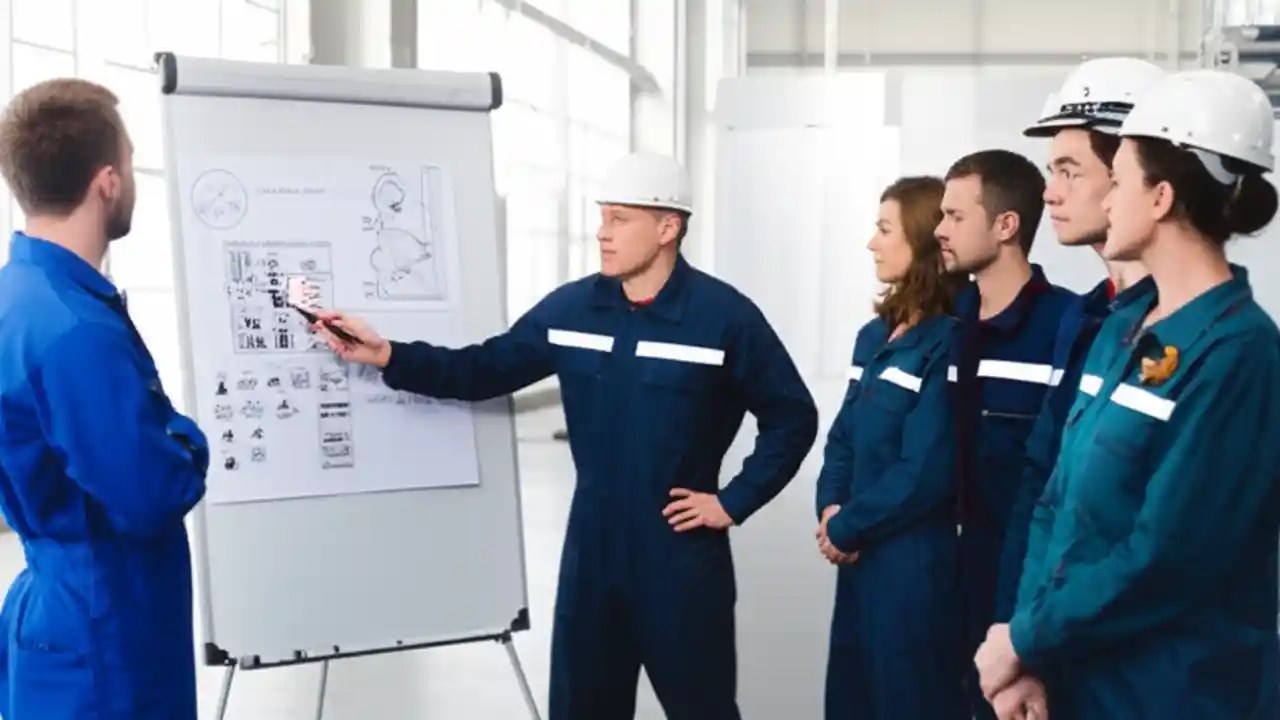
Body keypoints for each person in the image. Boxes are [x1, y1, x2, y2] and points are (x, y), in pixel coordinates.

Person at [310, 152, 819, 719]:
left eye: (620, 219)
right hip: (592, 554)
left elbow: (792, 416)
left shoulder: (723, 318)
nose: (602, 233)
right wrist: (386, 354)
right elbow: (484, 368)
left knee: (701, 708)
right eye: (602, 217)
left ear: (668, 227)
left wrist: (734, 501)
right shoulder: (576, 308)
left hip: (678, 554)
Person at [976, 68, 1280, 719]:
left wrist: (1023, 638)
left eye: (1118, 182)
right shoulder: (1121, 328)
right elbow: (1056, 500)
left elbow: (1170, 554)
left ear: (1161, 197)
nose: (1105, 201)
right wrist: (1028, 650)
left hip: (1177, 691)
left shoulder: (1240, 354)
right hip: (1082, 674)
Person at [0, 79, 210, 718]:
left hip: (58, 609)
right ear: (109, 181)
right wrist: (190, 439)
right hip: (107, 627)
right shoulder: (76, 329)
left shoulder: (19, 297)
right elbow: (151, 489)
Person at [983, 57, 1165, 714]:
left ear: (1130, 172)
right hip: (1062, 651)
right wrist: (1013, 635)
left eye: (1067, 172)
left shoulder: (1198, 334)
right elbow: (1044, 488)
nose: (1048, 194)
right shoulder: (1088, 319)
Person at [814, 176, 967, 719]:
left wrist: (847, 526)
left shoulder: (952, 340)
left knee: (907, 700)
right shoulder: (874, 336)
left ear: (922, 239)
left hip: (910, 564)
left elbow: (926, 468)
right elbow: (842, 439)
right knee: (852, 699)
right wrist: (831, 509)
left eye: (884, 229)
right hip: (857, 557)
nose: (871, 242)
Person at [935, 149, 1077, 720]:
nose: (940, 230)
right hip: (944, 583)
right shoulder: (947, 325)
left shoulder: (1065, 327)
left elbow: (1060, 482)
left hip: (1022, 593)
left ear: (1006, 225)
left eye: (955, 216)